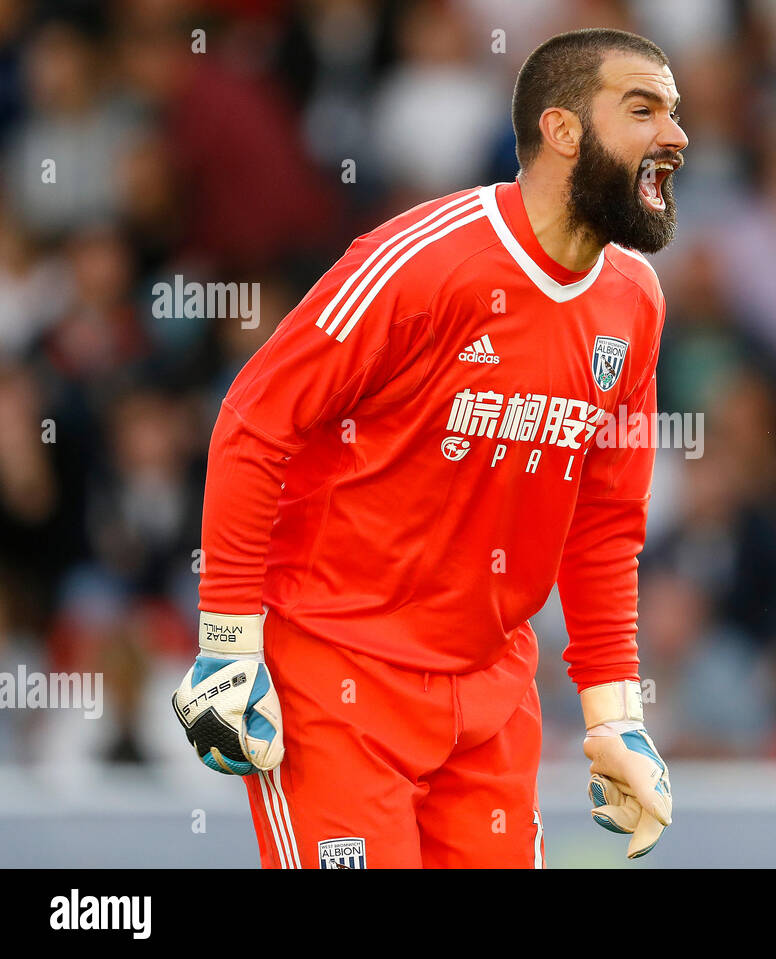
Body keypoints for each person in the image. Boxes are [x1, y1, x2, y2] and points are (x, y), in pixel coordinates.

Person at [170, 28, 687, 868]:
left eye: (674, 111)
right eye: (644, 109)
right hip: (337, 673)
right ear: (562, 130)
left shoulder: (635, 302)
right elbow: (256, 418)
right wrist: (228, 642)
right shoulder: (419, 262)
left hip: (492, 691)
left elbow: (604, 522)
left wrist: (613, 714)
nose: (676, 134)